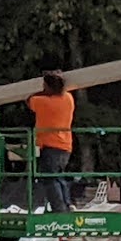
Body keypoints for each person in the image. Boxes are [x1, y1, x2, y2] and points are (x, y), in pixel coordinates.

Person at [25, 71, 75, 212]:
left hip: (50, 144)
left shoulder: (43, 102)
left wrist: (43, 92)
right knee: (58, 177)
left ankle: (59, 209)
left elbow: (29, 100)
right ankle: (67, 204)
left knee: (50, 179)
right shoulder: (68, 98)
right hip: (65, 145)